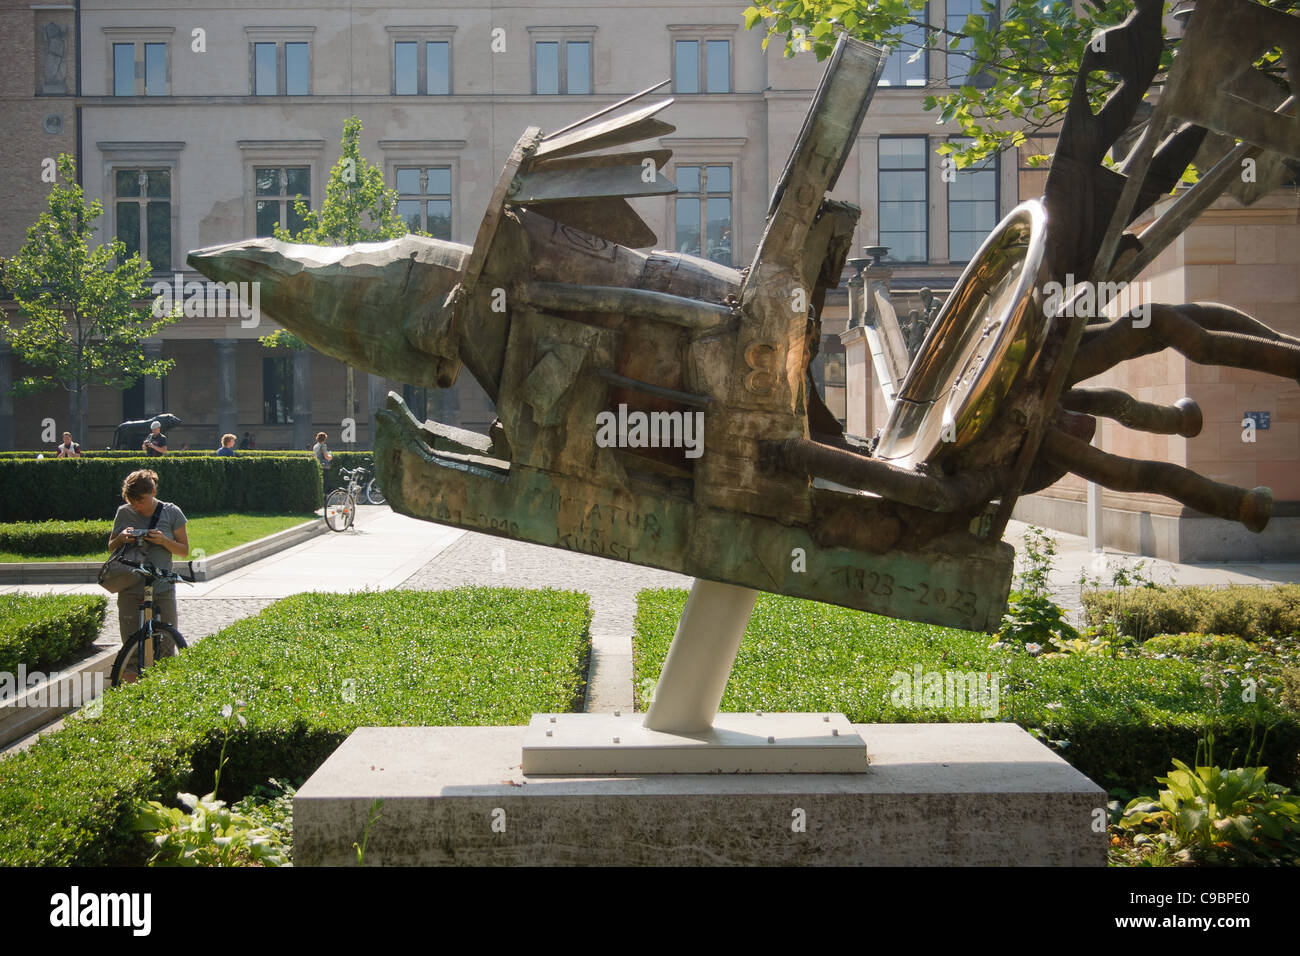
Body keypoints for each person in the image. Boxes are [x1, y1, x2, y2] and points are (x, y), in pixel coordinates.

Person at [106, 469, 189, 674]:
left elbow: (184, 551)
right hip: (130, 587)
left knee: (167, 647)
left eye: (140, 501)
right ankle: (132, 695)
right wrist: (122, 538)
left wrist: (163, 541)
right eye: (132, 501)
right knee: (131, 648)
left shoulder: (171, 512)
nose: (137, 506)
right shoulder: (124, 512)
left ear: (153, 491)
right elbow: (111, 547)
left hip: (162, 587)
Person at [313, 431, 332, 495]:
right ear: (324, 438)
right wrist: (330, 457)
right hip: (324, 467)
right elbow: (326, 456)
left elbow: (315, 456)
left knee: (320, 483)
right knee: (325, 484)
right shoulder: (323, 445)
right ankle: (325, 500)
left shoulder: (315, 446)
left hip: (318, 465)